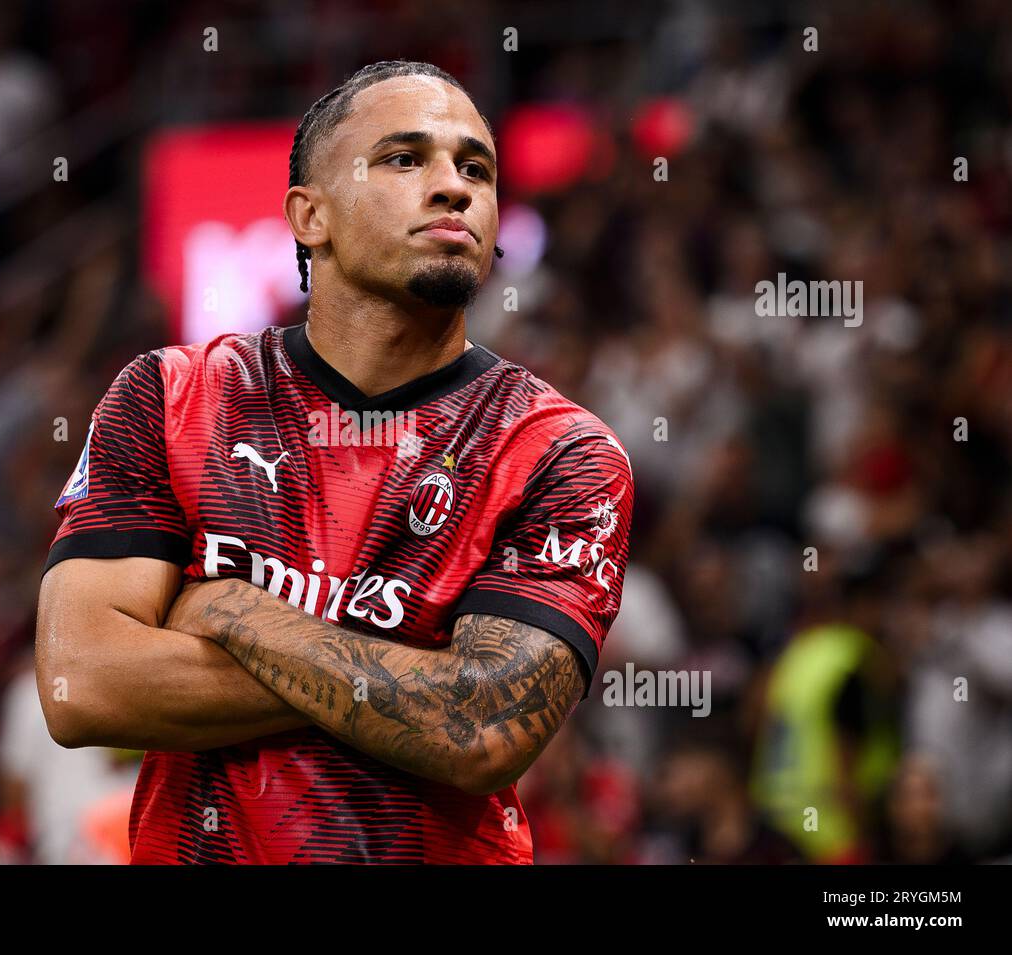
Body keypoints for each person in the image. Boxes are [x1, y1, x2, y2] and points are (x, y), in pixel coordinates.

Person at [35, 60, 634, 864]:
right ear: (309, 215)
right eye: (404, 158)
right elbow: (84, 685)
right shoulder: (170, 397)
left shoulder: (562, 451)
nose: (454, 185)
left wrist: (236, 615)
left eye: (476, 167)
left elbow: (484, 729)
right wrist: (418, 680)